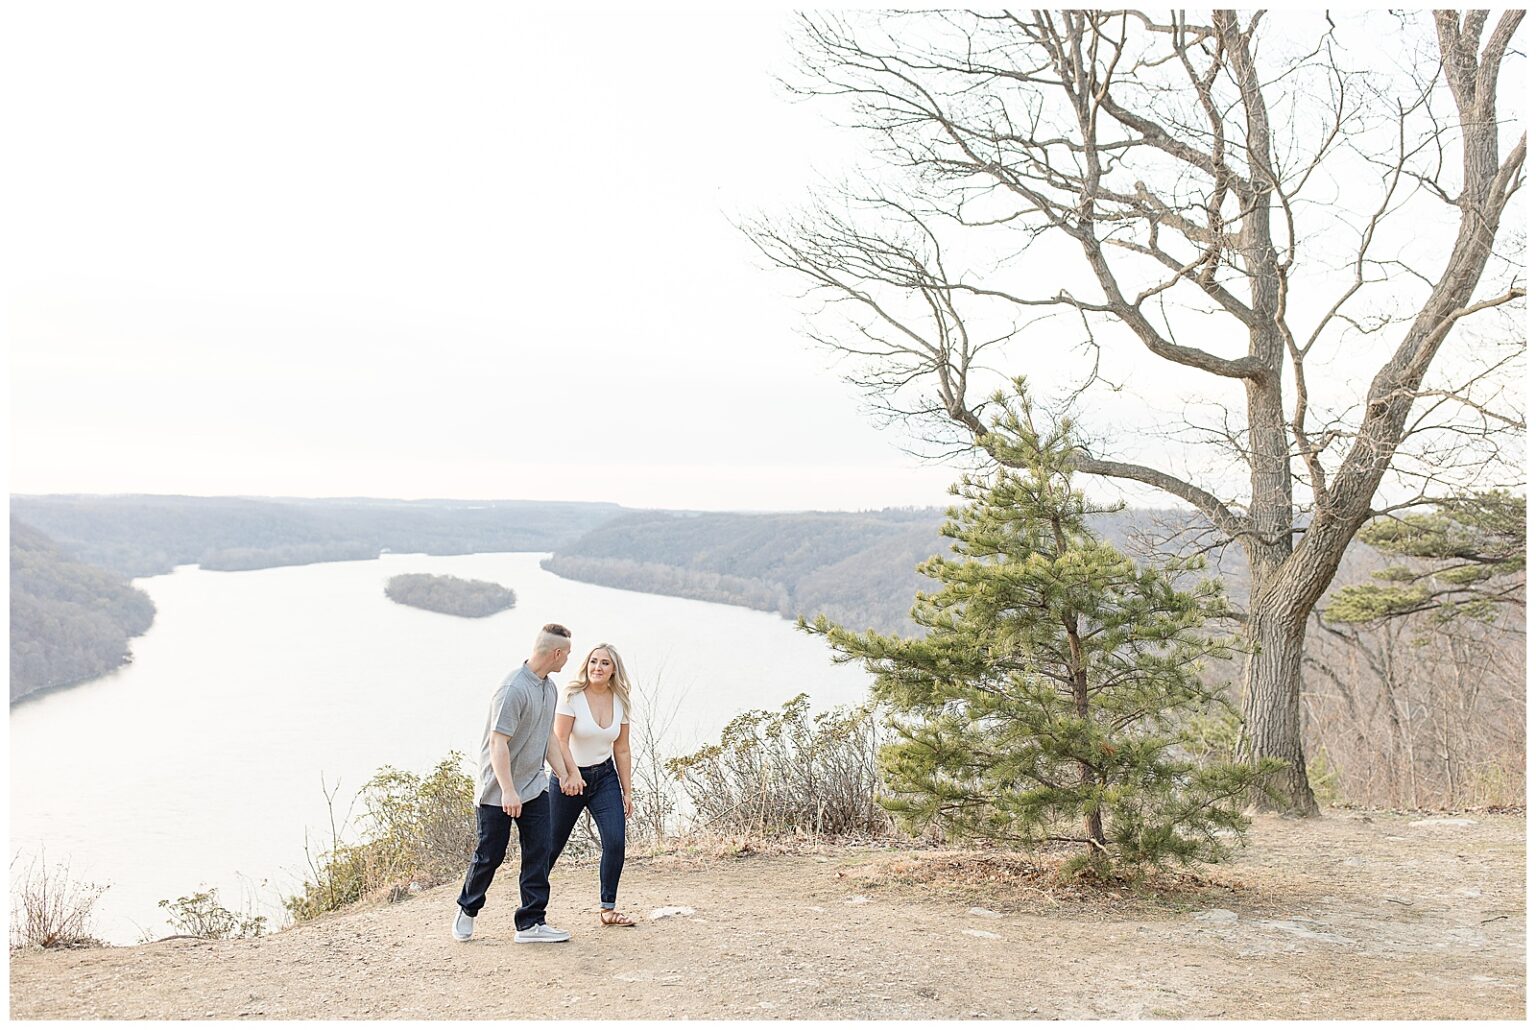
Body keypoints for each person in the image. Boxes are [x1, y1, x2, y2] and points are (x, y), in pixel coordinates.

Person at [452, 622, 577, 944]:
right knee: (489, 855)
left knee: (539, 850)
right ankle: (468, 908)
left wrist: (562, 772)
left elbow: (547, 735)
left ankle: (531, 922)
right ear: (556, 653)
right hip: (498, 790)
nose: (568, 662)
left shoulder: (549, 688)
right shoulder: (513, 689)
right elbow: (498, 743)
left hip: (534, 785)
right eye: (567, 655)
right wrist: (508, 790)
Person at [548, 642, 636, 927]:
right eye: (594, 662)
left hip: (604, 778)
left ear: (613, 670)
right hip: (568, 780)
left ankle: (608, 909)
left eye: (605, 663)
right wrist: (571, 775)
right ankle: (531, 910)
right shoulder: (572, 696)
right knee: (550, 846)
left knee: (615, 841)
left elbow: (622, 749)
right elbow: (559, 740)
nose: (598, 667)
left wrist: (627, 791)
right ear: (586, 665)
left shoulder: (621, 701)